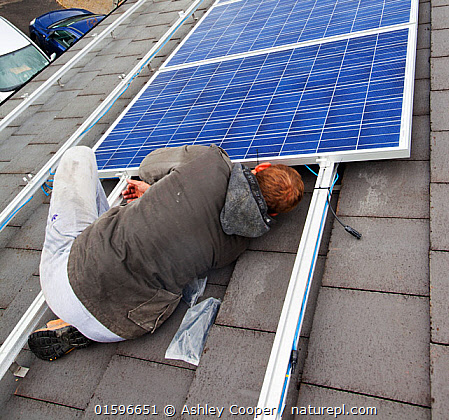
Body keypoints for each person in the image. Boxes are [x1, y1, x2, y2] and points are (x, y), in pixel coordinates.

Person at [28, 144, 304, 361]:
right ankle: (83, 328)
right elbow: (192, 229)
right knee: (167, 272)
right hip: (123, 327)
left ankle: (65, 195)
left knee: (78, 156)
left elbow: (149, 166)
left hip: (65, 280)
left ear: (262, 167)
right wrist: (155, 196)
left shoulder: (212, 161)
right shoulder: (237, 245)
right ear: (274, 213)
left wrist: (158, 187)